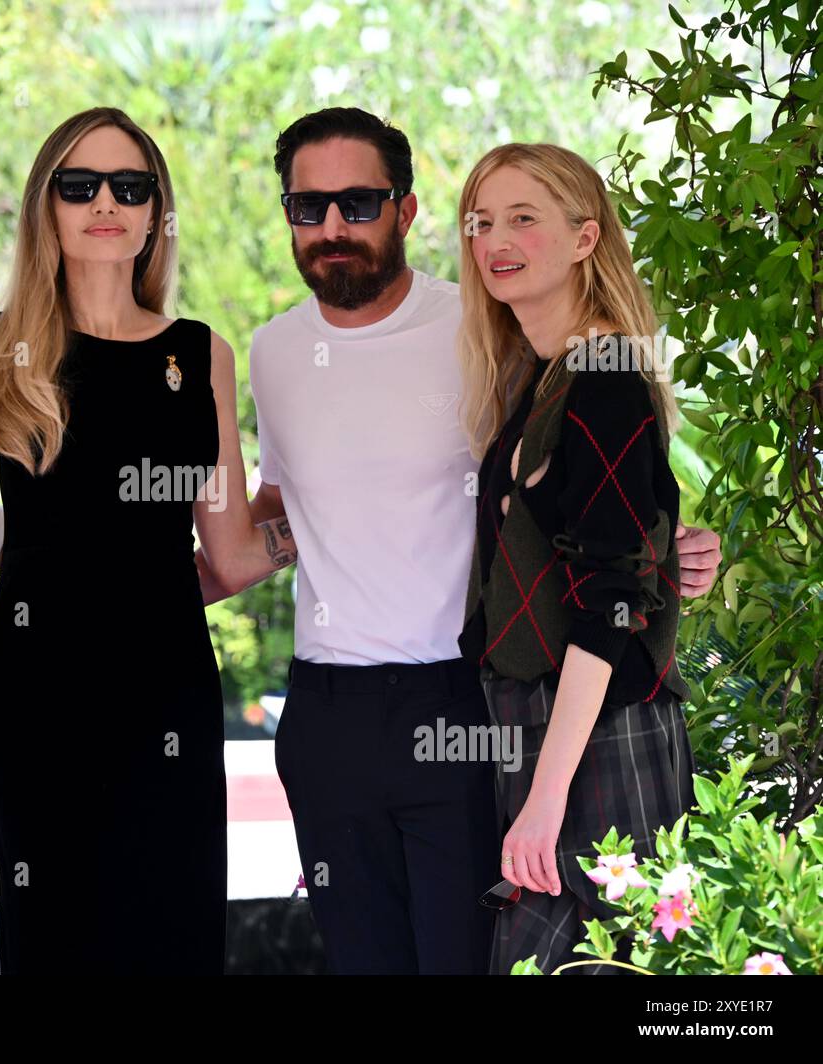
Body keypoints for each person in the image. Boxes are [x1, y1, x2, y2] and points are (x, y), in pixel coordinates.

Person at [198, 107, 721, 974]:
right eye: (308, 206)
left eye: (359, 203)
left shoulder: (490, 333)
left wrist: (661, 552)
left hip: (465, 707)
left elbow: (599, 503)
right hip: (325, 716)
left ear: (404, 210)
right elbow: (279, 517)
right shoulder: (276, 349)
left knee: (491, 956)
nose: (332, 227)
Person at [0, 107, 297, 974]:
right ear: (44, 205)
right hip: (38, 677)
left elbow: (231, 556)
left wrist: (326, 520)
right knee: (56, 923)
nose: (105, 204)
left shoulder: (202, 353)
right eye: (79, 184)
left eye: (131, 187)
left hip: (167, 680)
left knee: (172, 920)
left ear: (157, 211)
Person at [455, 142, 699, 975]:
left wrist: (545, 797)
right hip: (547, 729)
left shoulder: (603, 379)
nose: (495, 238)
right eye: (482, 221)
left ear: (587, 238)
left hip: (598, 738)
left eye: (524, 217)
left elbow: (608, 606)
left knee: (611, 967)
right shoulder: (544, 376)